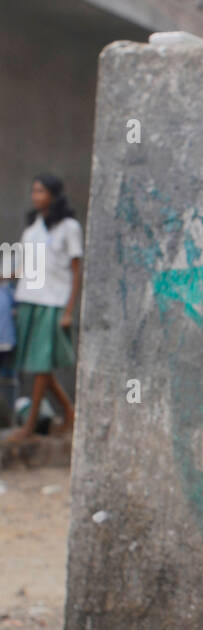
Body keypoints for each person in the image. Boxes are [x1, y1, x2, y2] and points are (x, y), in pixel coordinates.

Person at [6, 174, 82, 442]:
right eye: (33, 191)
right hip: (29, 300)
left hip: (54, 303)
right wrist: (6, 276)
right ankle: (70, 412)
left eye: (40, 191)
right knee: (40, 366)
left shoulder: (69, 227)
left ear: (53, 194)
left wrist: (69, 310)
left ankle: (28, 427)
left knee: (41, 366)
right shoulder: (32, 229)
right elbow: (26, 268)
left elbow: (76, 270)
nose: (35, 196)